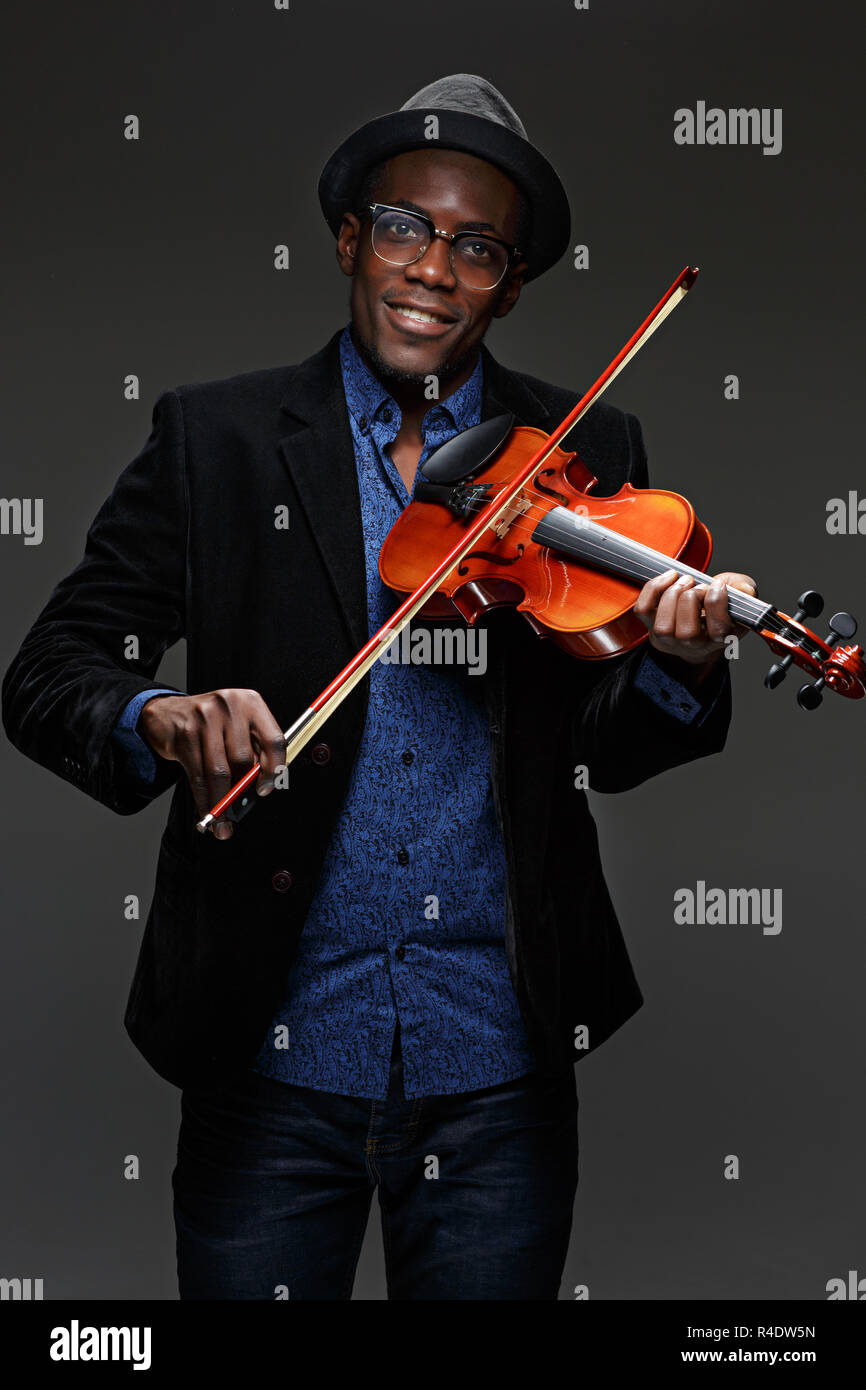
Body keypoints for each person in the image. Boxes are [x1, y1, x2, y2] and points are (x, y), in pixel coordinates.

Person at [2, 74, 756, 1300]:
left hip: (496, 1059)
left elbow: (602, 748)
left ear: (509, 285)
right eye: (404, 227)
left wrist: (675, 661)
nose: (431, 271)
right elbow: (47, 674)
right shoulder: (218, 440)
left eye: (475, 248)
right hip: (267, 1049)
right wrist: (157, 713)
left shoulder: (585, 454)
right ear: (350, 239)